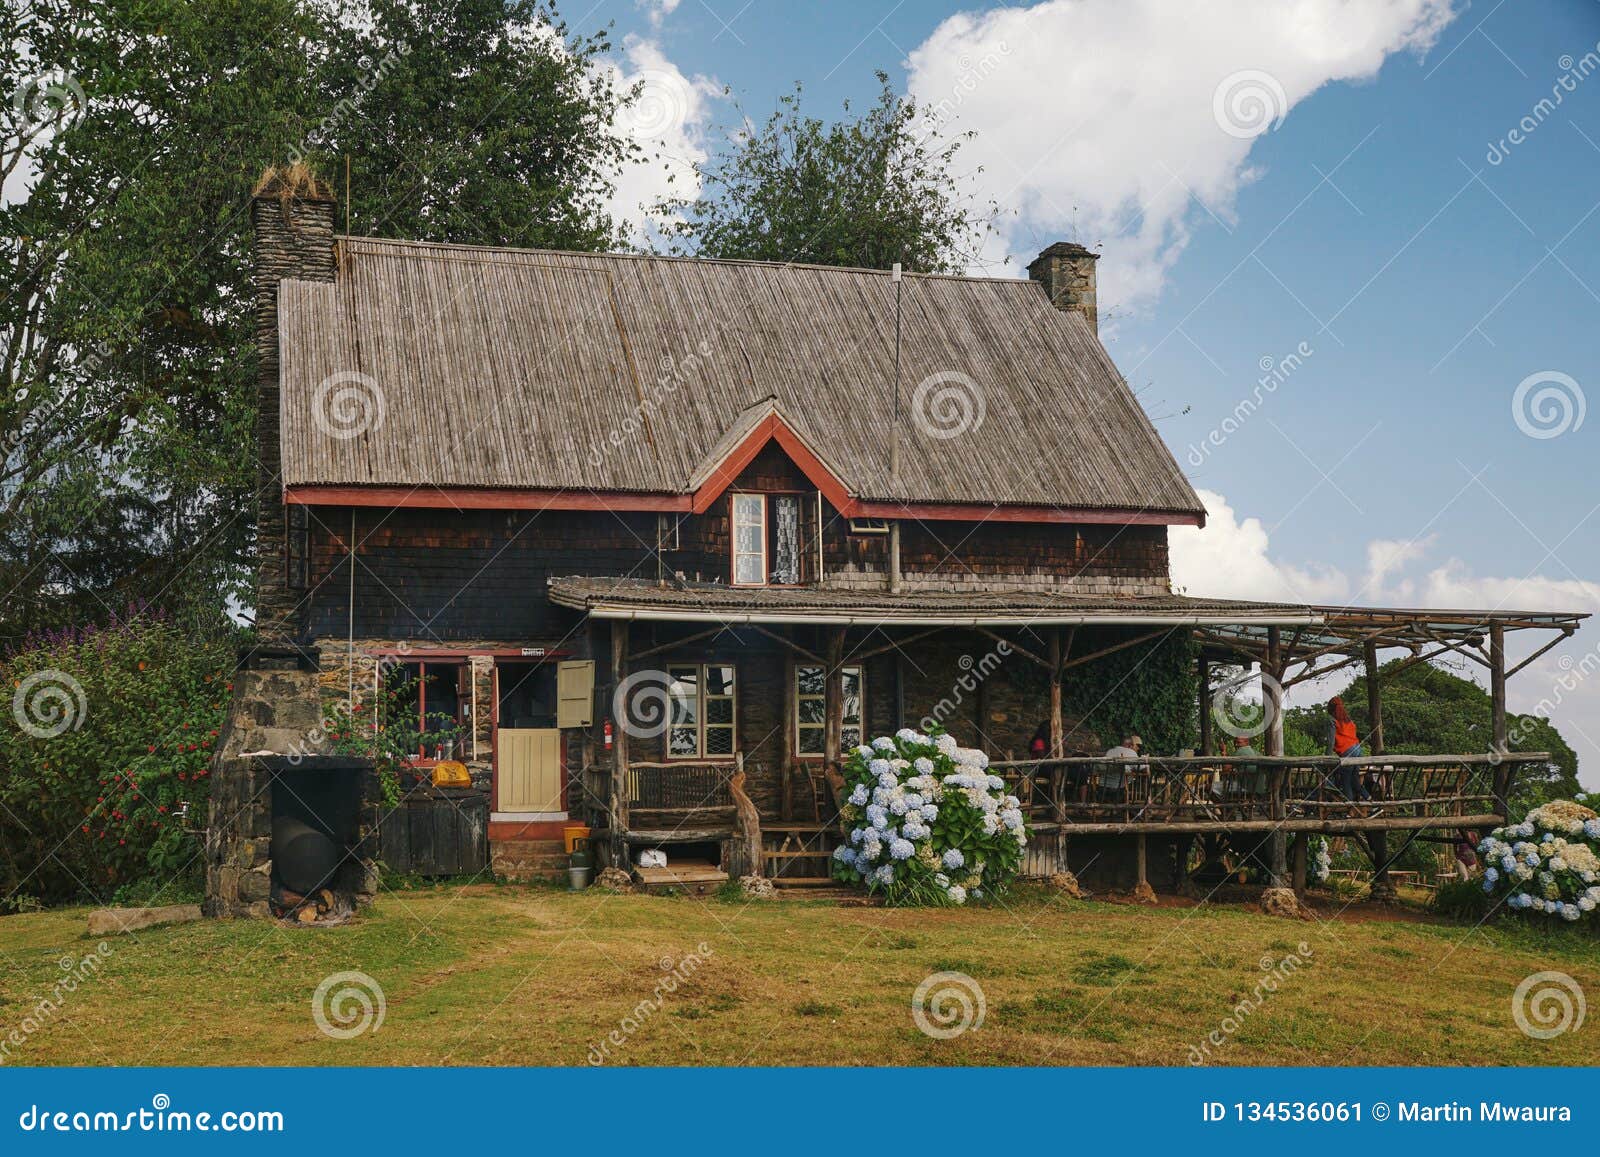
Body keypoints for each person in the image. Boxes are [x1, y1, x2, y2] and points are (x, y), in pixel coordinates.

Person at [1324, 697, 1370, 801]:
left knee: (1346, 781)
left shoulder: (1332, 720)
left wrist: (1326, 758)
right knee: (1354, 780)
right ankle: (1370, 800)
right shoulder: (1349, 721)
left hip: (1348, 752)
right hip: (1358, 750)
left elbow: (1330, 742)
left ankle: (1350, 809)